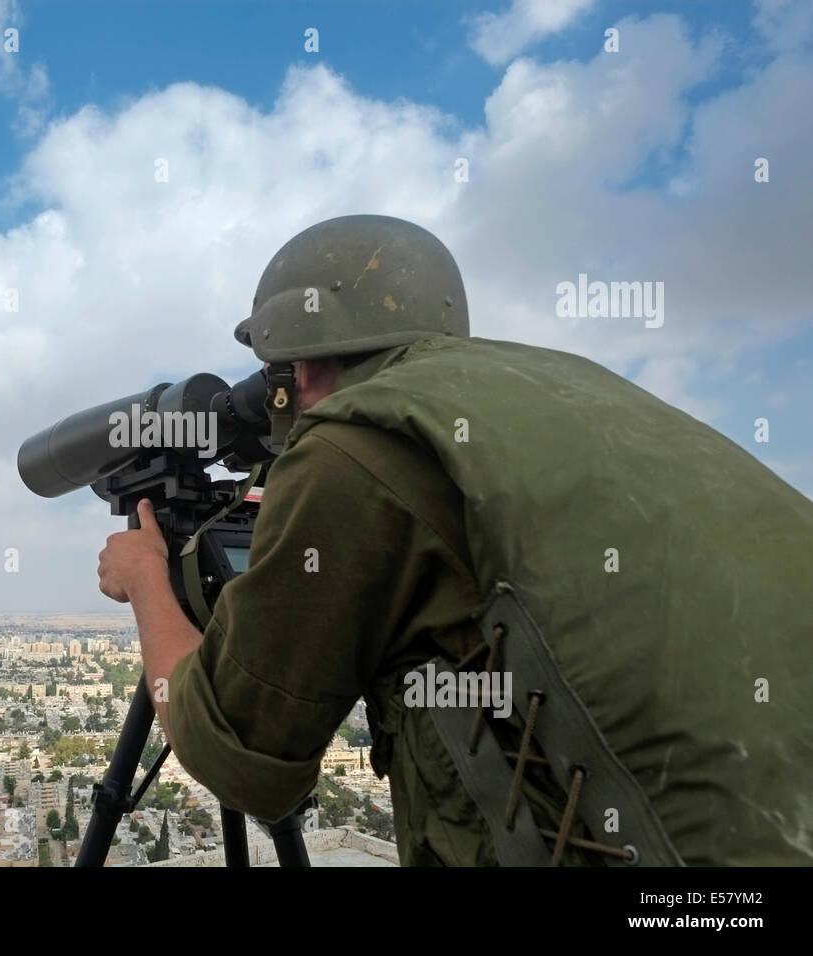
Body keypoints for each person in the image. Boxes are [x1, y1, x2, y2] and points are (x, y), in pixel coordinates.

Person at [96, 214, 813, 866]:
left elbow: (239, 760)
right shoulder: (570, 391)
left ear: (303, 365)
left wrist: (148, 581)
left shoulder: (357, 442)